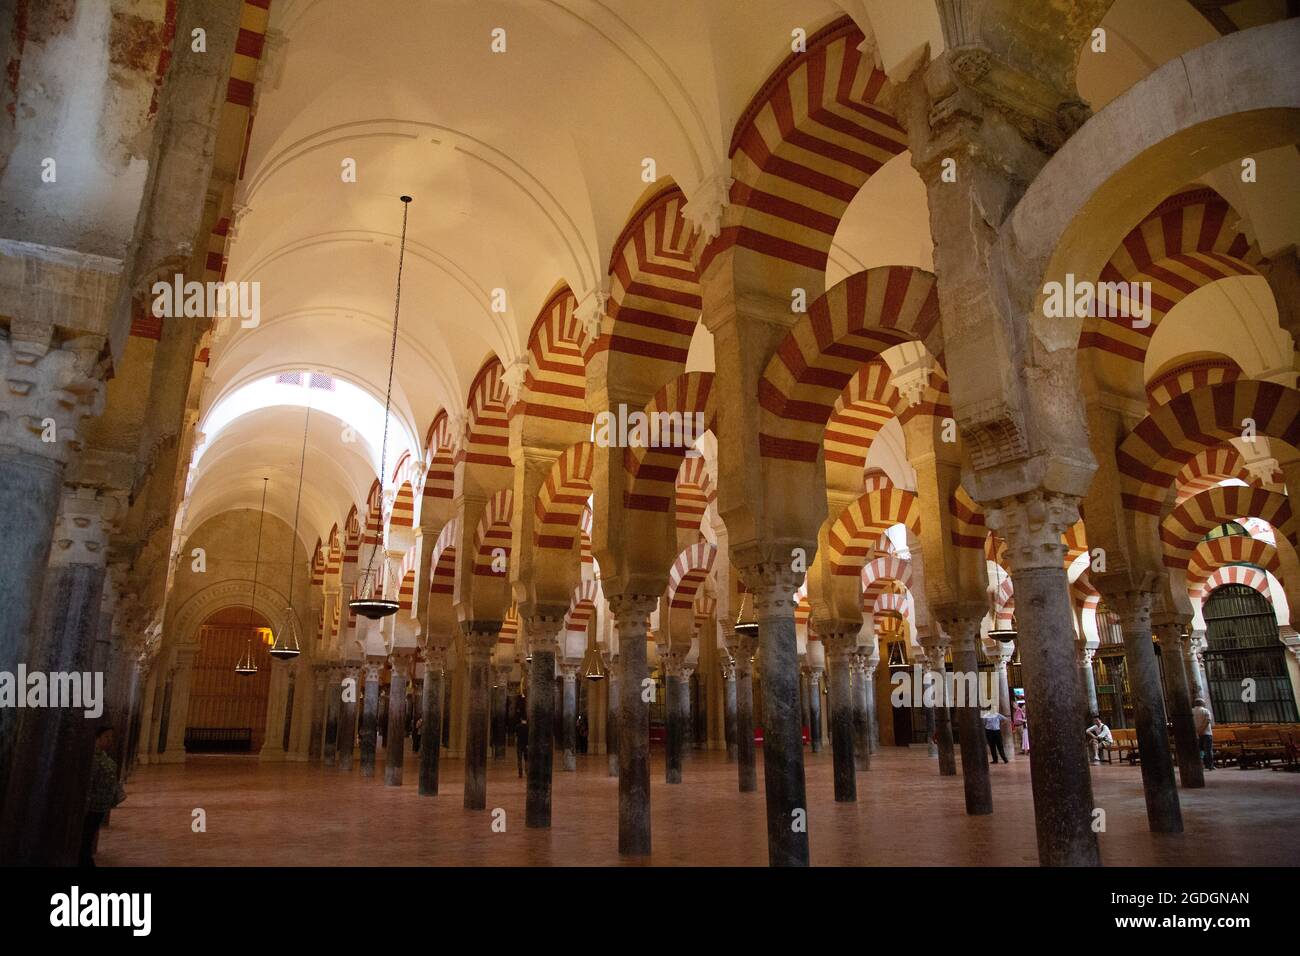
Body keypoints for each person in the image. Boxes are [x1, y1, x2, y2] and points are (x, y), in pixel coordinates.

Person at [81, 727, 125, 866]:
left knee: (89, 834)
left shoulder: (103, 756)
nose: (110, 740)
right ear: (97, 738)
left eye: (111, 737)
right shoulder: (91, 758)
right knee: (86, 836)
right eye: (106, 737)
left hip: (100, 805)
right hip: (92, 806)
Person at [1192, 697, 1215, 770]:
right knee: (1208, 750)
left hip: (1196, 733)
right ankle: (1210, 765)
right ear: (1202, 703)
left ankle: (1200, 765)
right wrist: (1202, 730)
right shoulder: (1205, 710)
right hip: (1207, 733)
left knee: (1200, 750)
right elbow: (1207, 721)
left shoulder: (1191, 711)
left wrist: (1198, 731)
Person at [515, 713, 529, 778]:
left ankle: (520, 773)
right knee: (526, 759)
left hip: (519, 745)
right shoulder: (528, 727)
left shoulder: (518, 726)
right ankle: (527, 772)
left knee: (519, 759)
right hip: (526, 745)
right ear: (527, 719)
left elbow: (516, 736)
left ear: (521, 719)